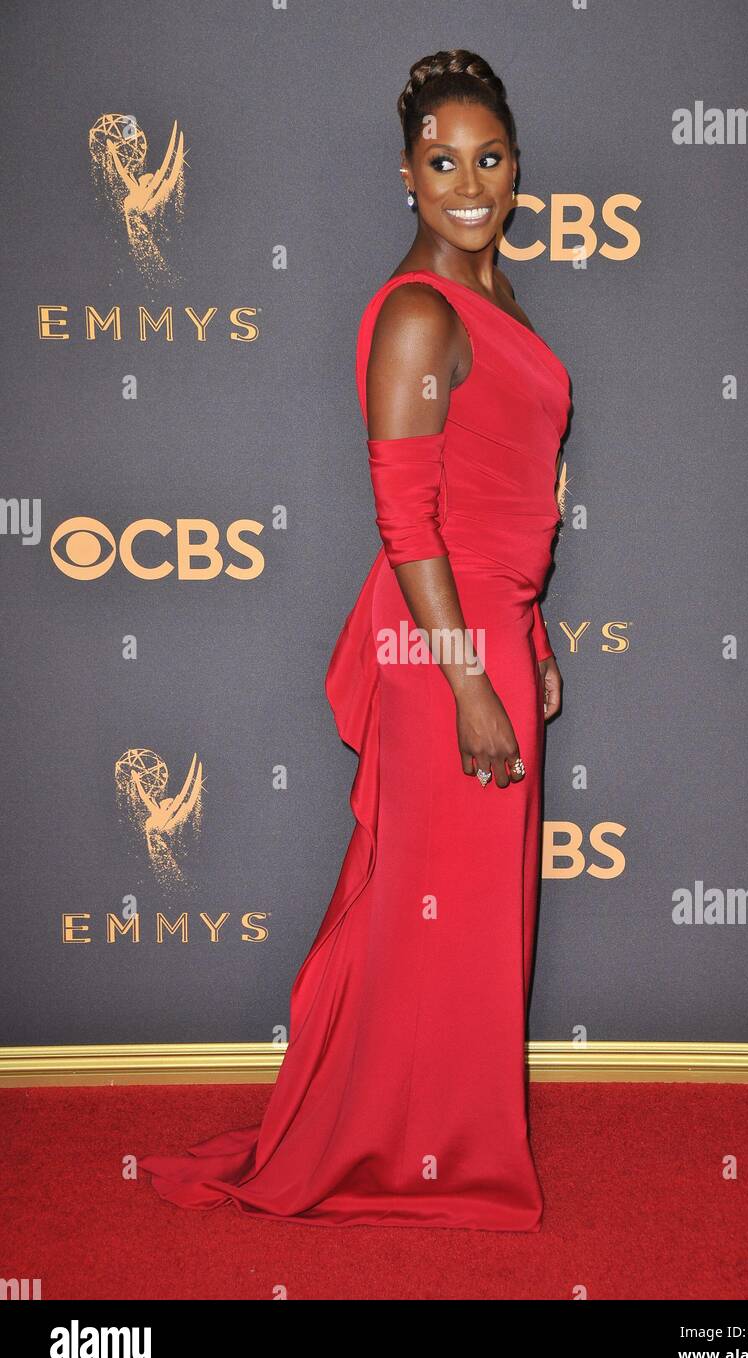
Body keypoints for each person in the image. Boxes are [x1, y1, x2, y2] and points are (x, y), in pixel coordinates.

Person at [139, 48, 572, 1232]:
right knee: (432, 910)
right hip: (443, 647)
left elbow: (498, 486)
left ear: (516, 169)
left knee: (463, 920)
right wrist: (469, 679)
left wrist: (526, 637)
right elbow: (406, 517)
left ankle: (429, 1131)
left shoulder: (489, 298)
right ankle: (410, 1148)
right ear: (406, 176)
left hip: (488, 625)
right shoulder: (420, 313)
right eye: (443, 162)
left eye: (488, 159)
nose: (468, 182)